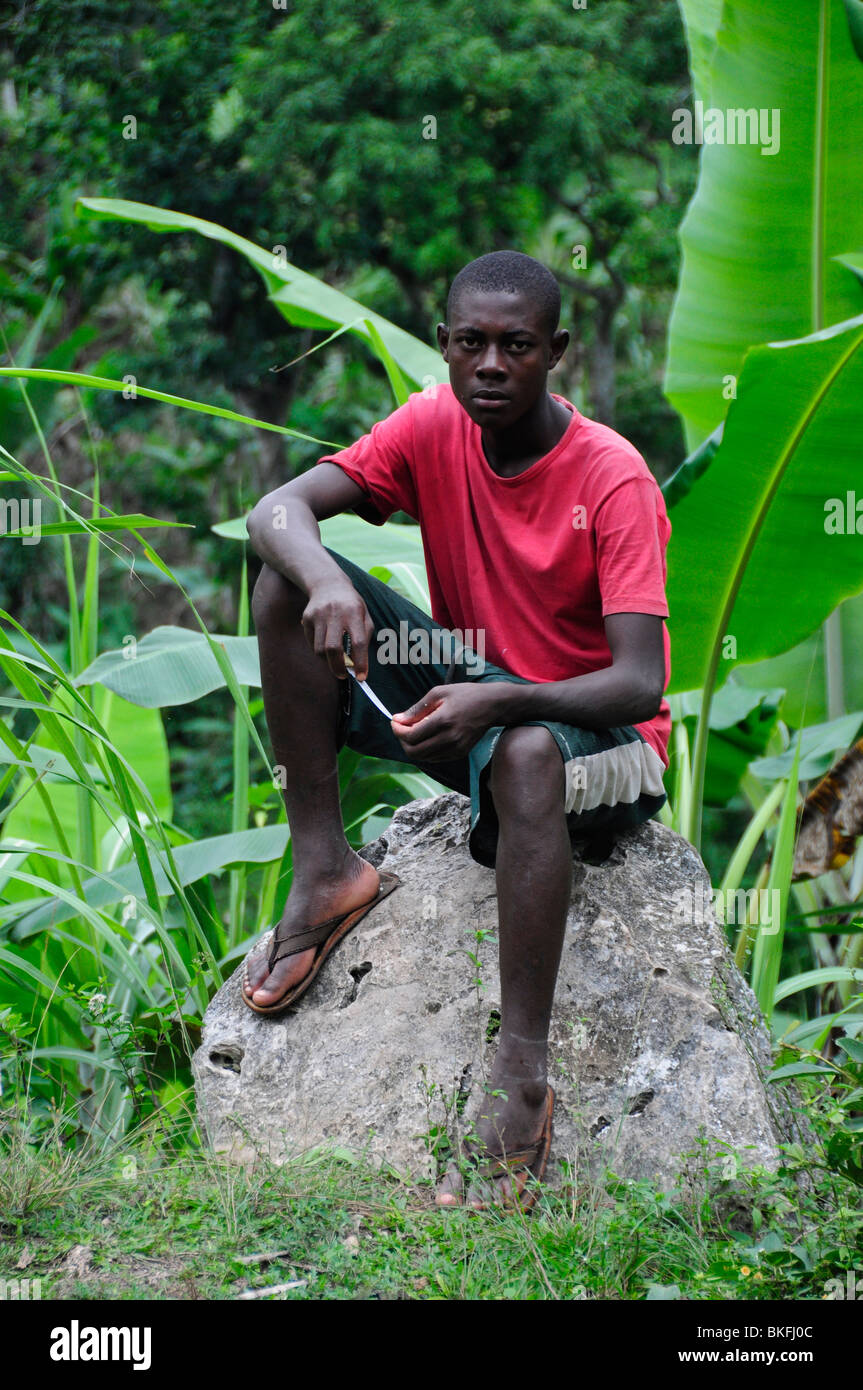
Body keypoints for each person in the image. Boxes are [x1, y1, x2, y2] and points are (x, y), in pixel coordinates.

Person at [242, 250, 671, 1209]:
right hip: (472, 697)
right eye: (469, 343)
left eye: (515, 346)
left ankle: (521, 1074)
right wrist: (322, 582)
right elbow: (276, 511)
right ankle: (325, 868)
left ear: (554, 352)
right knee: (280, 582)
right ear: (442, 344)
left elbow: (640, 683)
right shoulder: (433, 427)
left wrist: (506, 700)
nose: (488, 365)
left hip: (605, 751)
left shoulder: (611, 477)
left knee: (520, 752)